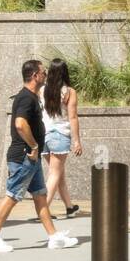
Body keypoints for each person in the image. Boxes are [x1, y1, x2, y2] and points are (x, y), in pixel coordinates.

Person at [0, 59, 78, 253]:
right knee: (12, 195)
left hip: (30, 158)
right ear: (35, 75)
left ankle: (53, 237)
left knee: (41, 197)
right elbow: (20, 123)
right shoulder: (26, 98)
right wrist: (33, 145)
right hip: (23, 156)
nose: (46, 75)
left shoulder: (32, 96)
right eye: (43, 72)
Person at [41, 58, 83, 218]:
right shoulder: (69, 92)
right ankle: (43, 210)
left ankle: (69, 207)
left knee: (59, 174)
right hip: (59, 135)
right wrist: (77, 140)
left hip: (44, 136)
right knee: (54, 175)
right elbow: (72, 117)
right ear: (65, 72)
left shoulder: (42, 90)